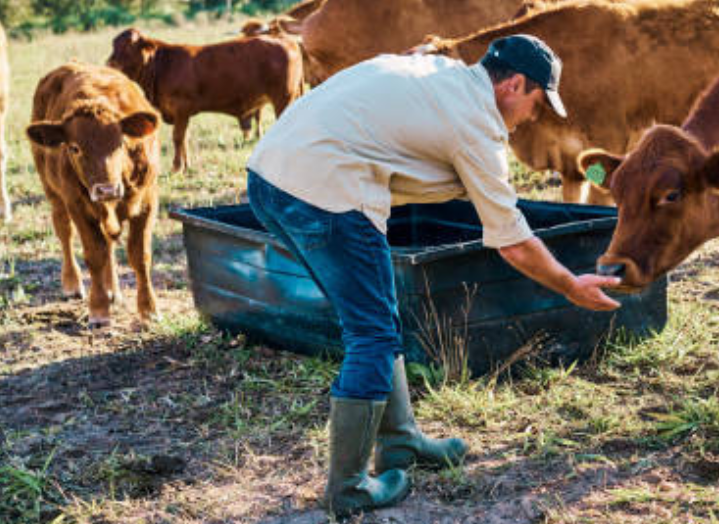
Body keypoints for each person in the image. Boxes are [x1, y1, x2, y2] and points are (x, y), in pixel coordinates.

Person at [245, 34, 621, 516]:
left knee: (377, 320)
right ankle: (349, 489)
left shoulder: (440, 73)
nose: (533, 116)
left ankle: (402, 443)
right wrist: (571, 285)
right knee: (372, 336)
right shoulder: (476, 124)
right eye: (536, 102)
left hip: (270, 176)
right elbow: (512, 243)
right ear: (514, 84)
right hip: (324, 192)